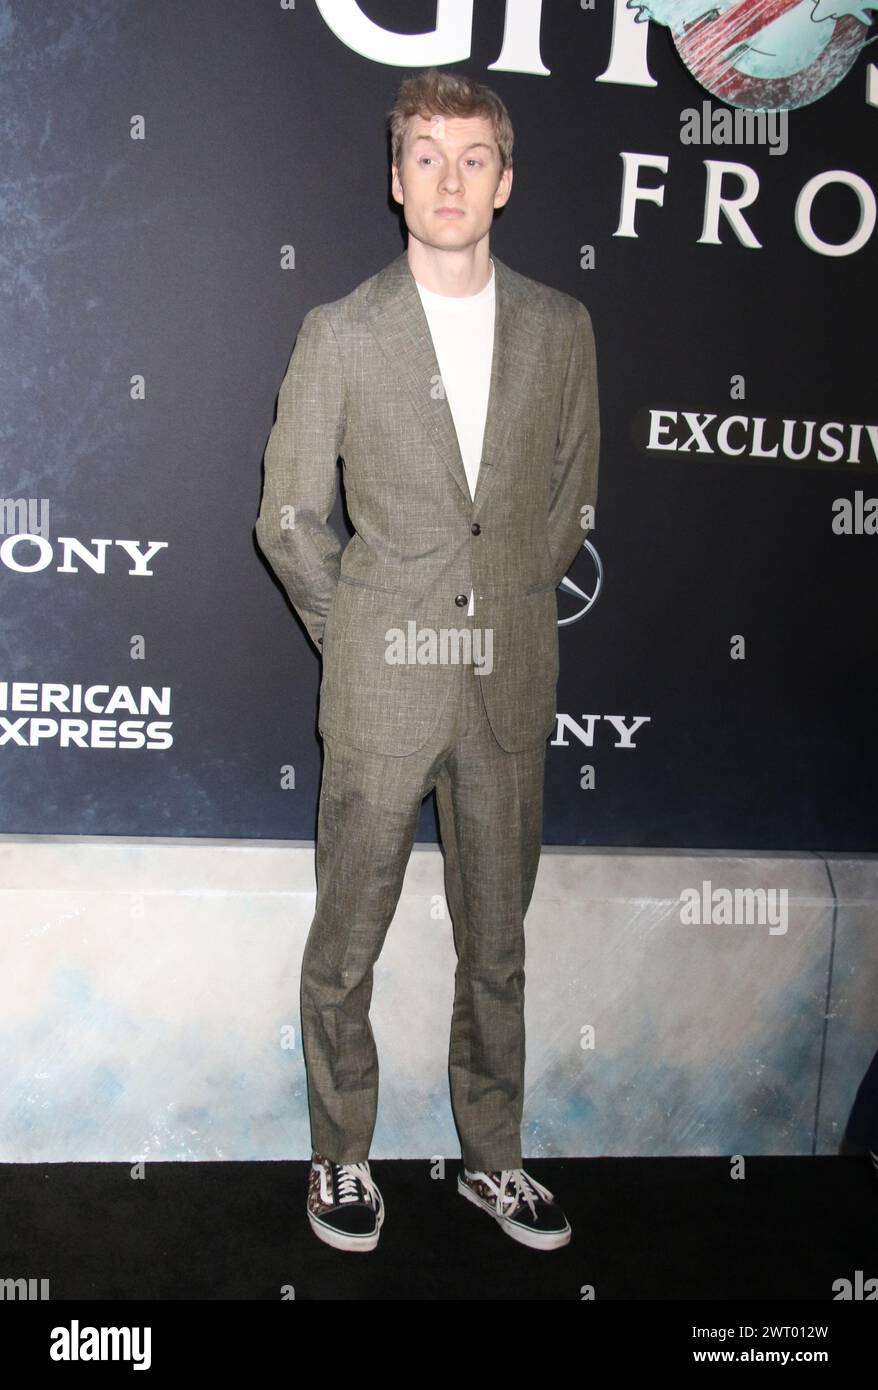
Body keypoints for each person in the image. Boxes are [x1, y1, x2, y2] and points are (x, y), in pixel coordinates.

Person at [255, 67, 599, 1253]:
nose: (446, 179)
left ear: (503, 180)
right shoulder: (341, 332)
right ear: (393, 178)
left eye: (470, 158)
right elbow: (290, 520)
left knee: (495, 945)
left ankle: (491, 1159)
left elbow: (565, 505)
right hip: (379, 685)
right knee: (345, 940)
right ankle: (339, 1157)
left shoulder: (562, 328)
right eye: (423, 156)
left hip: (507, 682)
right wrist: (358, 630)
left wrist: (492, 606)